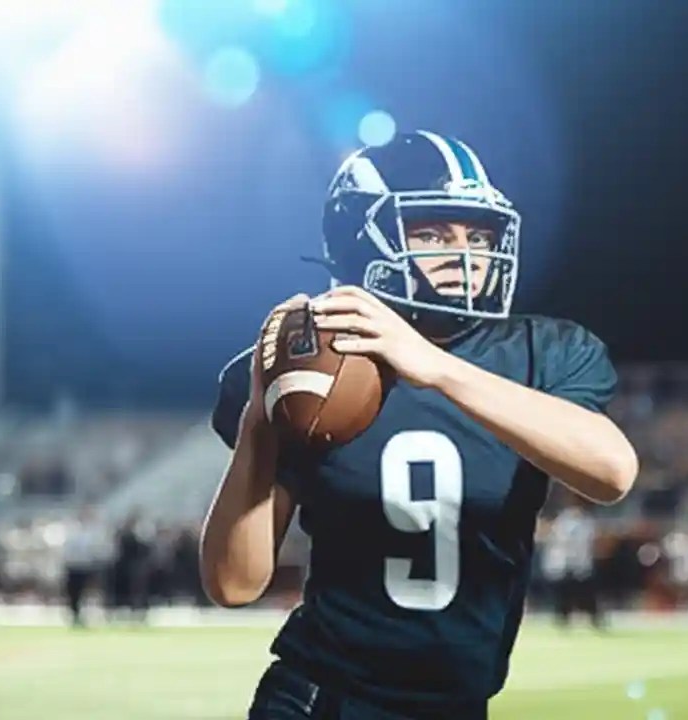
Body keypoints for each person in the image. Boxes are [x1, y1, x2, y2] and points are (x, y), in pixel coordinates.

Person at [201, 130, 638, 719]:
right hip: (320, 700)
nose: (466, 253)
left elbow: (611, 472)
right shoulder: (315, 369)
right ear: (363, 238)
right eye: (432, 232)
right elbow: (234, 584)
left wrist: (434, 367)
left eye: (478, 234)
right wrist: (261, 409)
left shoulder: (542, 352)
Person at [540, 493, 603, 629]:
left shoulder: (586, 520)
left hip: (580, 564)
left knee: (587, 594)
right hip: (564, 564)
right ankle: (563, 620)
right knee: (564, 596)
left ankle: (594, 619)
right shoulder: (563, 521)